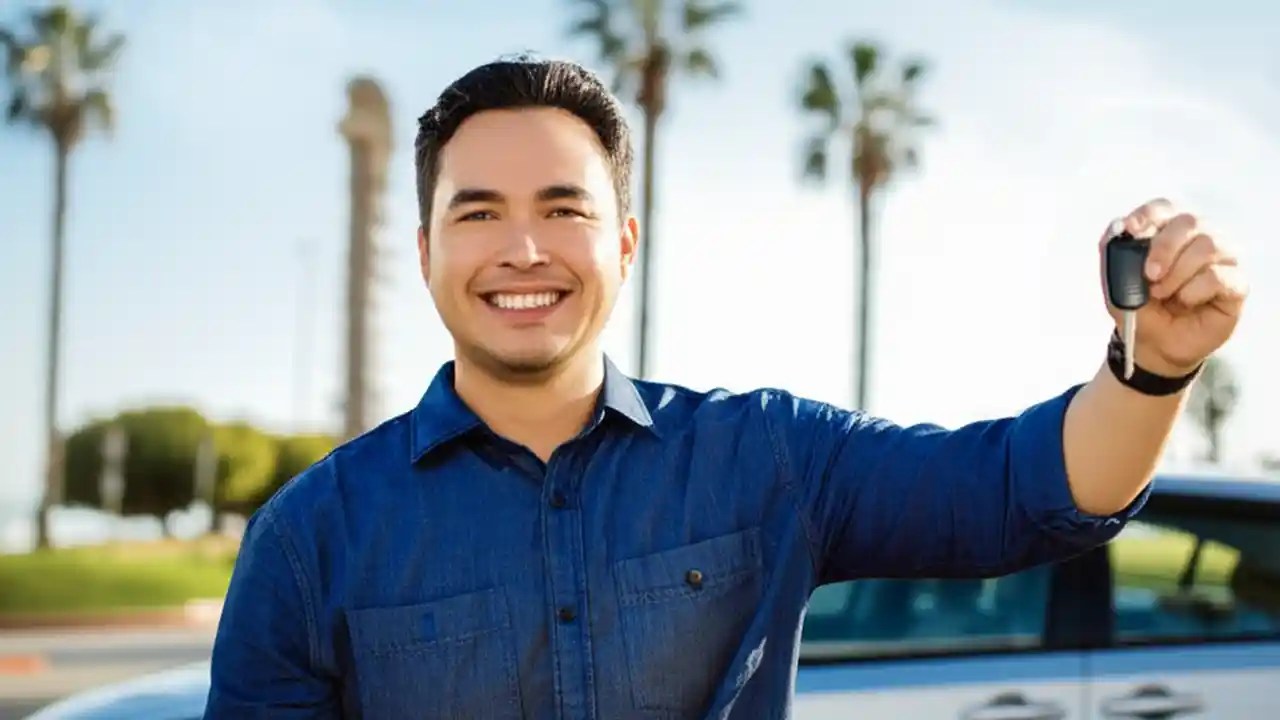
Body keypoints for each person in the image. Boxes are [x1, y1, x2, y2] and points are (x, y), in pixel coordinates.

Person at [202, 56, 1250, 720]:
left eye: (561, 209)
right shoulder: (309, 539)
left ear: (622, 241)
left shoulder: (768, 457)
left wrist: (1149, 364)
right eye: (478, 215)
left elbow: (1025, 490)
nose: (521, 248)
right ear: (426, 249)